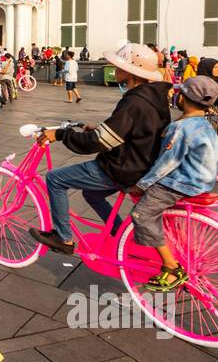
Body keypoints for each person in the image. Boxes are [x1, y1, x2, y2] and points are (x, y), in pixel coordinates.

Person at [28, 43, 173, 255]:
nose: (114, 68)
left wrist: (60, 134)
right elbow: (136, 130)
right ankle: (119, 232)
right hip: (141, 163)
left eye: (117, 65)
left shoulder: (135, 102)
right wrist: (102, 127)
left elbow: (97, 142)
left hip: (122, 167)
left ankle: (63, 237)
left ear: (129, 70)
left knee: (55, 179)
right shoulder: (154, 96)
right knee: (91, 194)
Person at [131, 76, 218, 292]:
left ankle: (171, 267)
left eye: (179, 93)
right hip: (203, 181)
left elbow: (167, 163)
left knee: (141, 215)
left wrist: (142, 184)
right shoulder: (206, 124)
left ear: (184, 98)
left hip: (181, 182)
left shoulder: (181, 128)